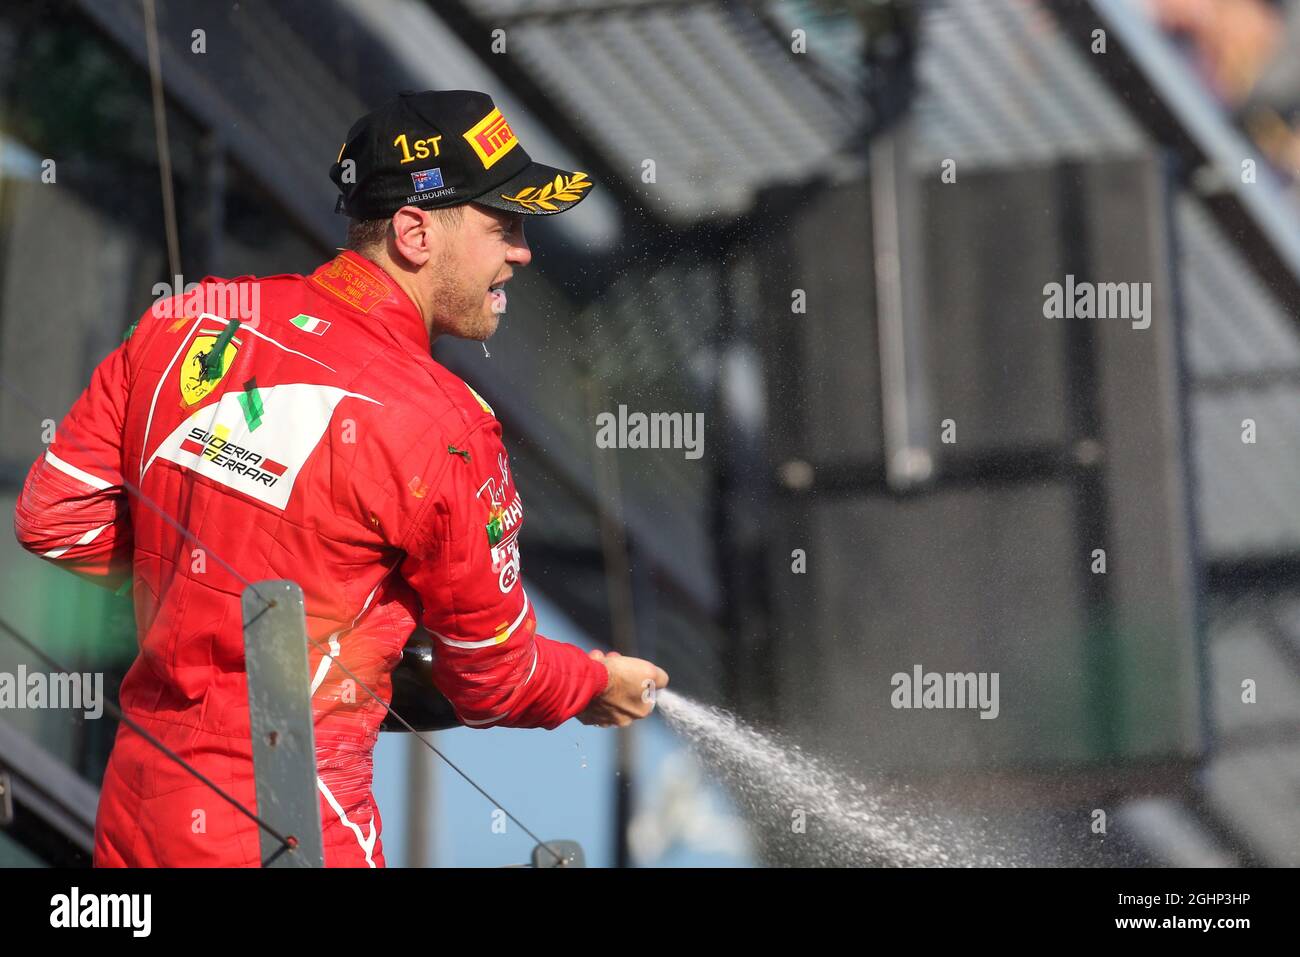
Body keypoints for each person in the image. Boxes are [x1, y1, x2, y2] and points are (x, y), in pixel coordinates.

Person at [13, 90, 669, 867]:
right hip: (293, 824)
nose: (523, 252)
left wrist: (194, 591)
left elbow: (55, 518)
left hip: (138, 805)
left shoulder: (187, 318)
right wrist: (592, 680)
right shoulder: (447, 427)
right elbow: (492, 678)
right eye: (504, 226)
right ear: (416, 231)